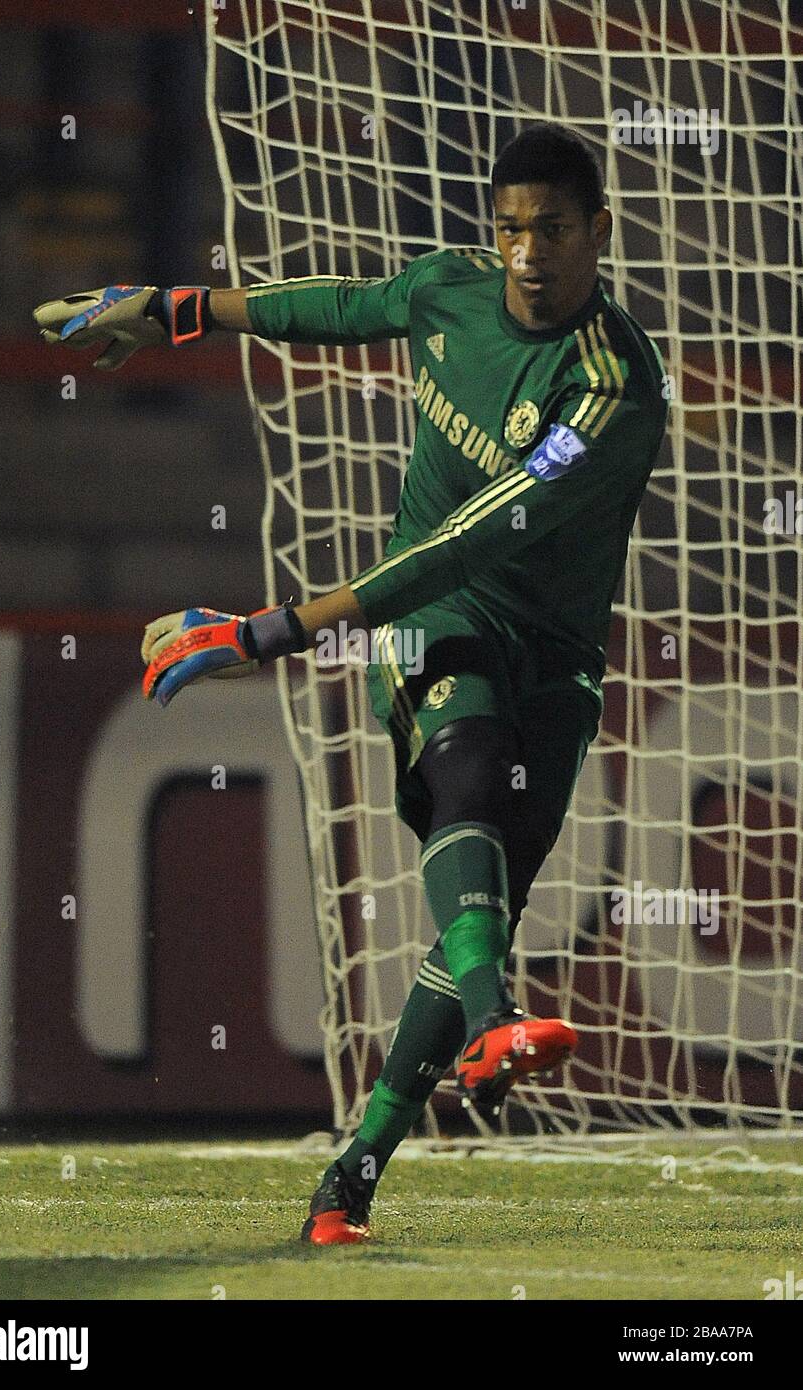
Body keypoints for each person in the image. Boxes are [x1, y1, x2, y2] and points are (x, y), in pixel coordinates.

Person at [35, 122, 669, 1245]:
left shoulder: (612, 390)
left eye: (554, 230)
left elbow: (480, 534)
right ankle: (496, 1019)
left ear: (600, 232)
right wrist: (175, 306)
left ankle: (352, 1174)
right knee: (467, 770)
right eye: (511, 229)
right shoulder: (446, 291)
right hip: (432, 619)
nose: (527, 253)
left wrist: (268, 631)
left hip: (556, 656)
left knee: (481, 912)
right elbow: (330, 307)